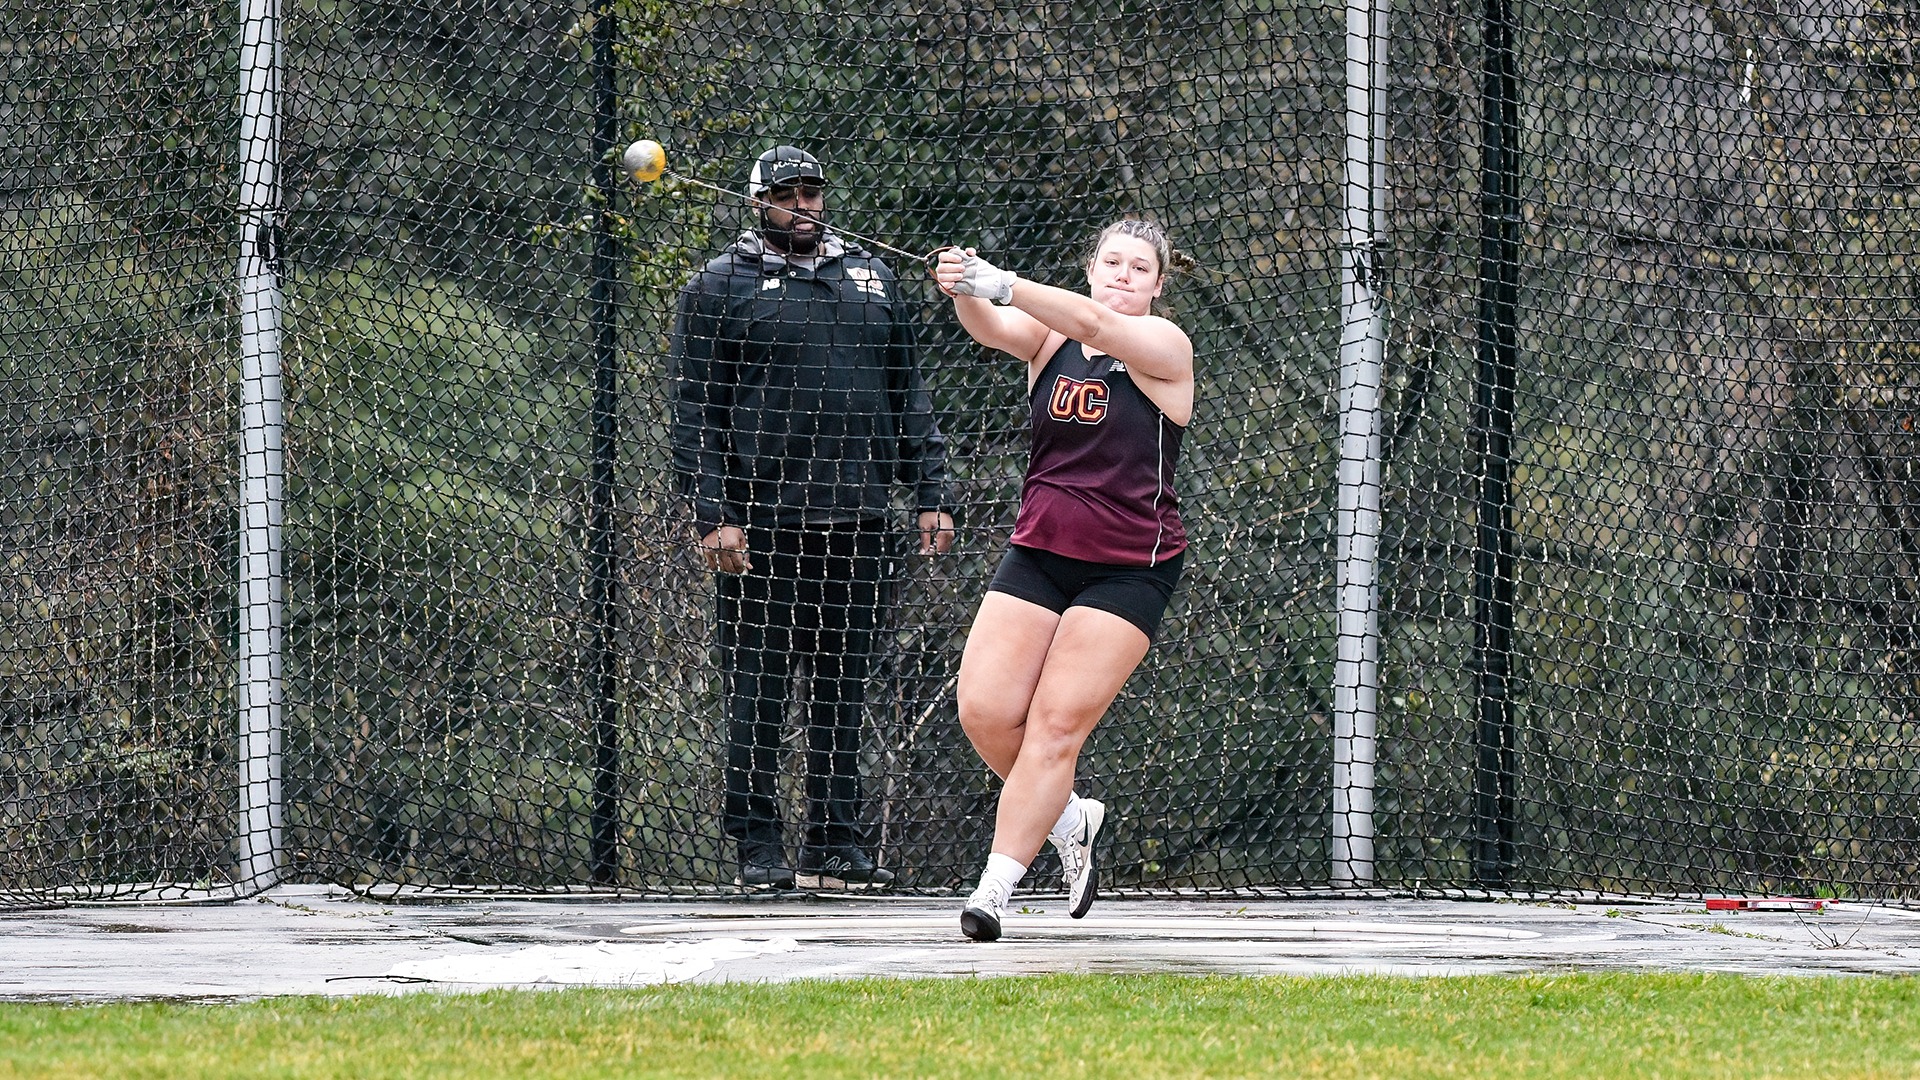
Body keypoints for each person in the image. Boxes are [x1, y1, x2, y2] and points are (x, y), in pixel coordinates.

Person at [669, 144, 955, 891]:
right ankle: (758, 847)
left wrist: (931, 492)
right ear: (759, 202)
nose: (805, 205)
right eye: (788, 194)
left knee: (841, 688)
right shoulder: (717, 288)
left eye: (813, 193)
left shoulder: (872, 279)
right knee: (758, 690)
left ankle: (835, 844)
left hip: (859, 520)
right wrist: (713, 514)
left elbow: (909, 394)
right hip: (762, 529)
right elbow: (694, 413)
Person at [933, 218, 1194, 941]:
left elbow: (1092, 323)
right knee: (983, 712)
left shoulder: (1165, 347)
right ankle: (1071, 817)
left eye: (1140, 268)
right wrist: (964, 280)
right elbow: (989, 326)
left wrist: (1007, 283)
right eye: (1112, 262)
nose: (1123, 275)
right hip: (1041, 550)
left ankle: (994, 890)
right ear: (1090, 266)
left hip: (1128, 566)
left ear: (1158, 284)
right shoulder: (1051, 340)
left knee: (1053, 727)